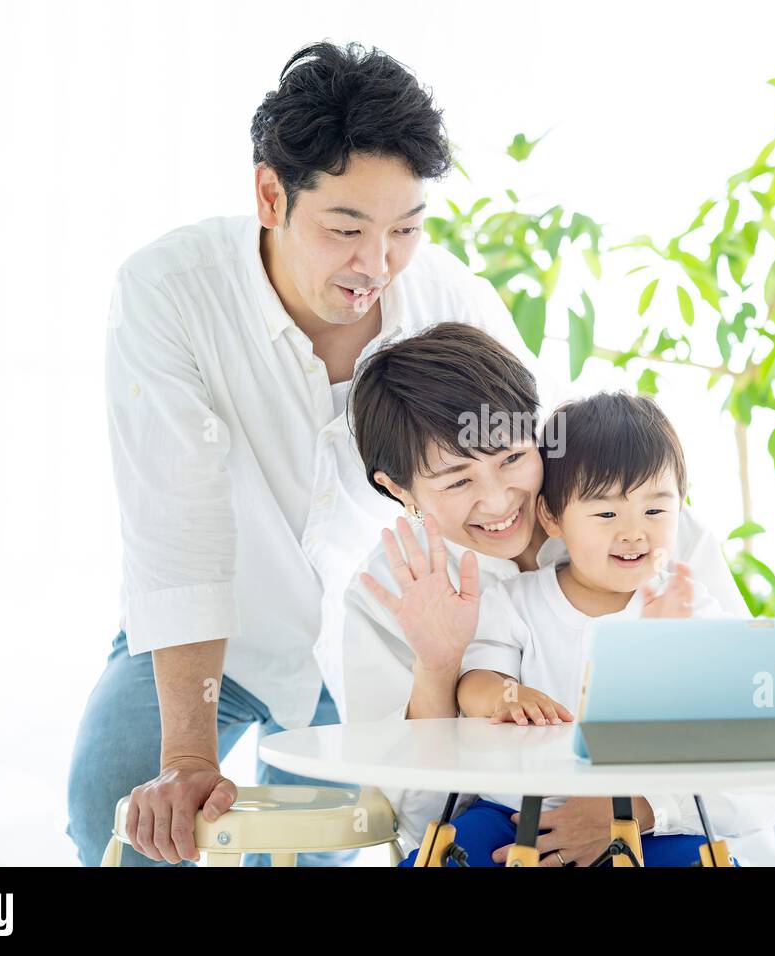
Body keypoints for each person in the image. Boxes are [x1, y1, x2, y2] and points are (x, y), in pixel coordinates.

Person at [65, 41, 536, 866]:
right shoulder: (170, 292)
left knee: (322, 844)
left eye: (406, 230)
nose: (377, 265)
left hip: (382, 639)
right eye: (346, 228)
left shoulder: (455, 305)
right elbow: (178, 524)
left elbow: (530, 494)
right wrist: (186, 756)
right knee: (117, 808)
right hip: (218, 628)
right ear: (270, 194)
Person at [343, 326, 775, 865]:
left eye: (512, 458)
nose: (497, 500)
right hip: (512, 831)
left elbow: (763, 757)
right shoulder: (389, 592)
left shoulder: (654, 533)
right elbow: (419, 820)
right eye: (457, 481)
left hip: (677, 832)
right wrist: (438, 670)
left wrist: (632, 810)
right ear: (399, 489)